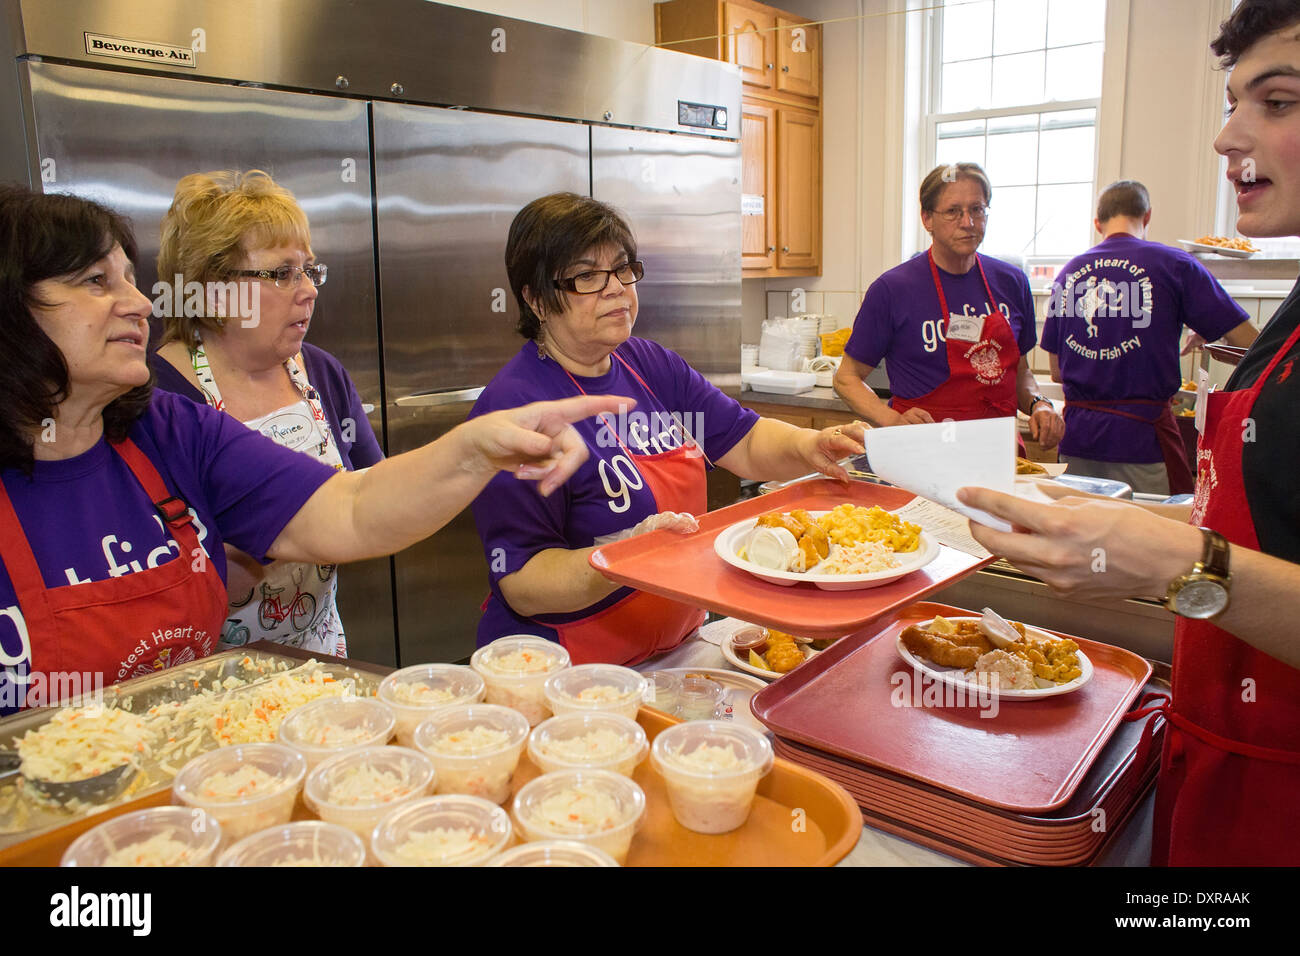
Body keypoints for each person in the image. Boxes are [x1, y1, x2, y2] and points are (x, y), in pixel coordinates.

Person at [0, 184, 627, 713]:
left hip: (241, 721)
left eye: (134, 281)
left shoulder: (166, 428)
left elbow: (352, 506)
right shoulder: (177, 394)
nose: (141, 305)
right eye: (94, 281)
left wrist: (478, 447)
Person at [957, 0, 1300, 866]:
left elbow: (1043, 359)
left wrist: (1177, 562)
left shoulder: (1070, 268)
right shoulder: (1191, 271)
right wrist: (1157, 543)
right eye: (1232, 102)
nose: (1226, 136)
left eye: (1278, 100)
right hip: (1222, 726)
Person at [470, 193, 865, 666]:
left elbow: (745, 438)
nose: (616, 288)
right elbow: (523, 583)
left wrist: (808, 444)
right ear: (535, 299)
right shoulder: (515, 406)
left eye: (622, 269)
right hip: (569, 668)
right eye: (587, 277)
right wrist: (624, 557)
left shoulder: (649, 365)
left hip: (677, 647)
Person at [150, 170, 382, 656]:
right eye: (281, 274)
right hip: (208, 677)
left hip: (320, 654)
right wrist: (286, 537)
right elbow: (162, 578)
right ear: (212, 287)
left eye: (309, 270)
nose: (309, 290)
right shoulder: (156, 401)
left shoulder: (320, 371)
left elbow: (376, 493)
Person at [1040, 180, 1257, 495]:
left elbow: (1058, 371)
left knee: (1078, 534)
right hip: (1142, 445)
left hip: (1078, 445)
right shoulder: (1175, 264)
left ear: (1098, 223)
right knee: (1151, 534)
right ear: (1148, 216)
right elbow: (1250, 342)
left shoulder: (1068, 273)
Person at [834, 162, 1065, 453]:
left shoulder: (1012, 282)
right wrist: (891, 420)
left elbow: (1020, 372)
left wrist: (1038, 405)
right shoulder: (893, 289)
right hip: (922, 454)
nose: (967, 222)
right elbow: (846, 378)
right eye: (953, 211)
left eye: (977, 209)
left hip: (998, 454)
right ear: (927, 218)